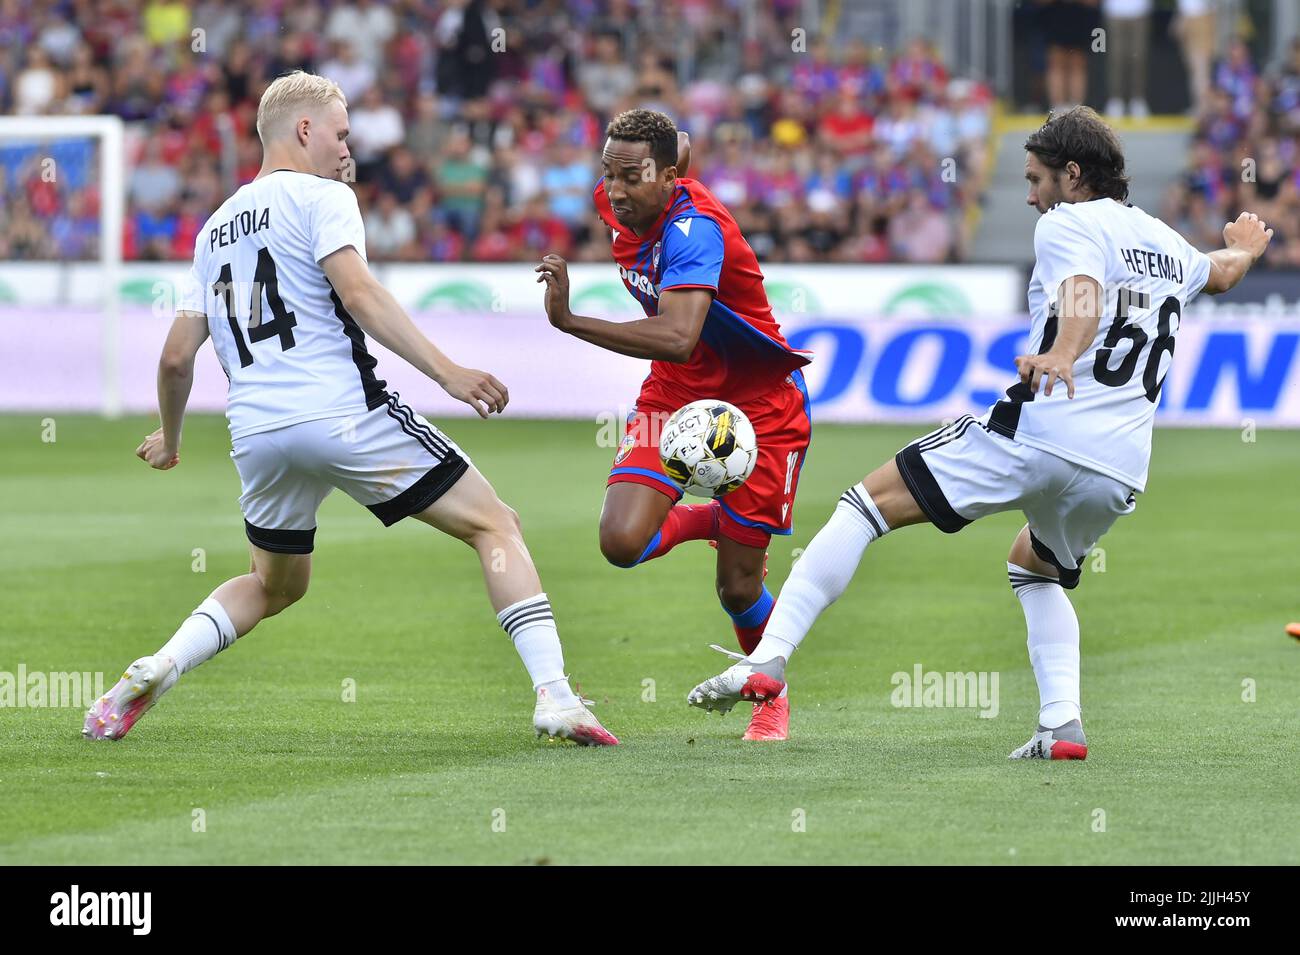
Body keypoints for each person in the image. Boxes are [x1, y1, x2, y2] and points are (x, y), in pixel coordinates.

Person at [687, 106, 1273, 760]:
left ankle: (767, 660)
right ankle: (1062, 725)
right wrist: (1246, 247)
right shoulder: (1166, 242)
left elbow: (1080, 295)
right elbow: (1219, 272)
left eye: (1036, 179)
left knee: (862, 506)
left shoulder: (1069, 222)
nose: (1028, 194)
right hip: (1118, 467)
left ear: (1072, 174)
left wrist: (1061, 353)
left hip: (1042, 428)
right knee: (1036, 566)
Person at [83, 71, 616, 747]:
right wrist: (447, 372)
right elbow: (360, 295)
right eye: (340, 132)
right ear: (304, 130)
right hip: (341, 413)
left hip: (256, 432)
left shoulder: (214, 229)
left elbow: (174, 359)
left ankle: (160, 664)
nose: (346, 149)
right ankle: (557, 697)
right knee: (495, 525)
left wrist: (172, 435)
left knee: (272, 584)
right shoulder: (322, 198)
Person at [535, 109, 812, 741]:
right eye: (609, 174)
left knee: (738, 588)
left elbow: (680, 336)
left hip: (760, 403)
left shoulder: (695, 232)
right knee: (620, 543)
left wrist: (572, 321)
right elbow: (678, 141)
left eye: (632, 176)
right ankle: (708, 519)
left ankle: (771, 695)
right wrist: (650, 147)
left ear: (666, 176)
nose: (617, 190)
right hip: (677, 391)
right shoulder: (632, 192)